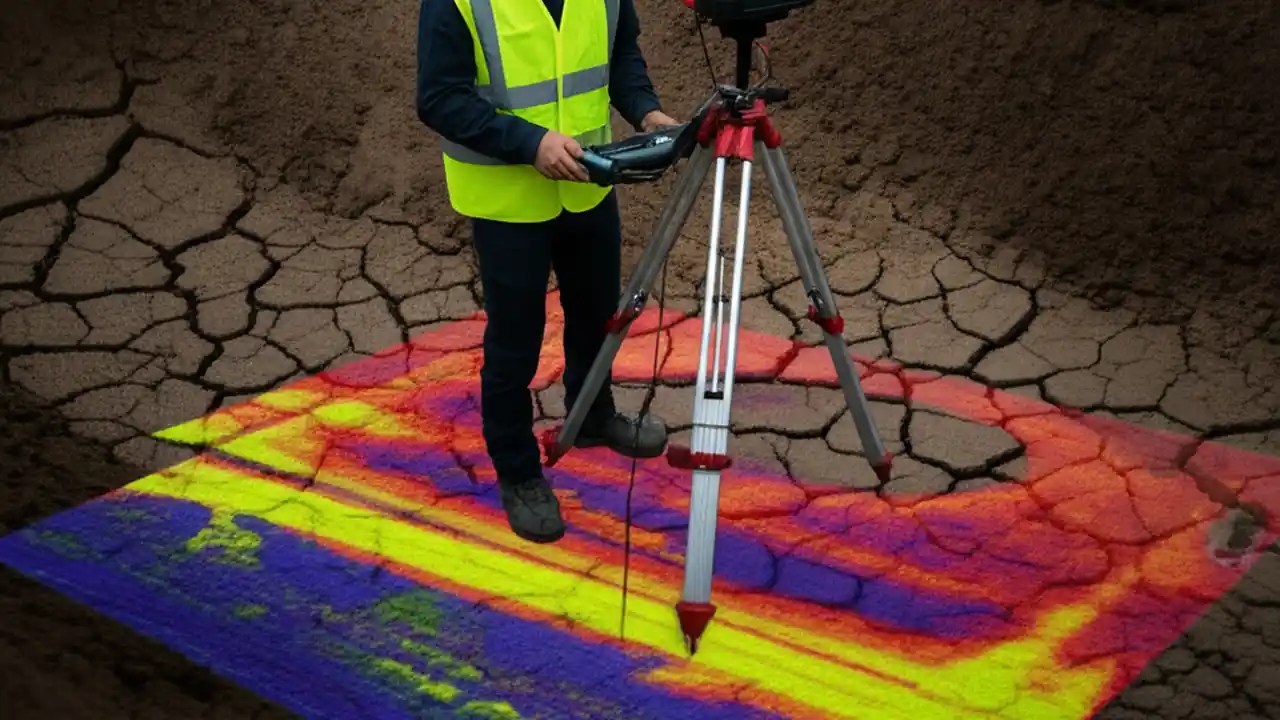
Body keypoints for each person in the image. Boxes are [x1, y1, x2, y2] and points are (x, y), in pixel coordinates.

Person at [416, 0, 677, 544]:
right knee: (515, 345)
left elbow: (619, 54)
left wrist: (645, 110)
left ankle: (592, 415)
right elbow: (440, 98)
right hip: (508, 202)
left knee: (597, 317)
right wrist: (529, 142)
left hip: (588, 185)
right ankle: (517, 472)